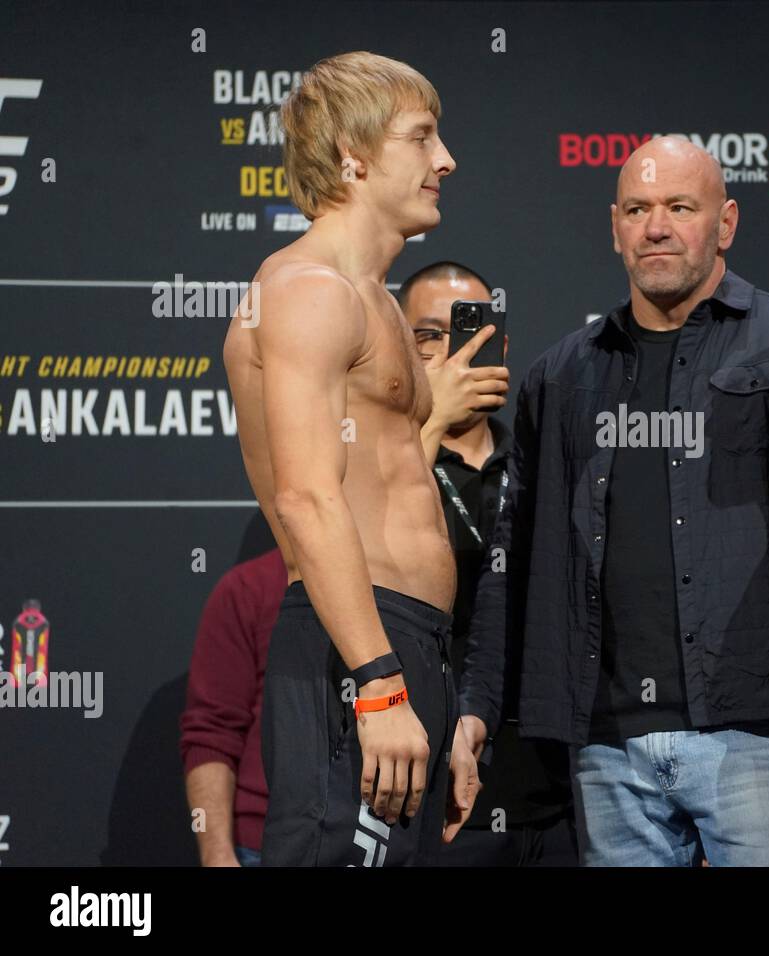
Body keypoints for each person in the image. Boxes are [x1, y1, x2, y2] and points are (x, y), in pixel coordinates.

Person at [459, 135, 769, 866]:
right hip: (605, 741)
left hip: (756, 730)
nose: (656, 227)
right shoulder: (560, 376)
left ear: (726, 222)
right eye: (638, 209)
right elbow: (511, 557)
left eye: (681, 207)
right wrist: (477, 706)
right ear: (614, 225)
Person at [222, 51, 506, 866]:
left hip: (404, 647)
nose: (444, 160)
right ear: (354, 155)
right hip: (357, 651)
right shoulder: (307, 290)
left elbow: (382, 477)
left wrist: (436, 704)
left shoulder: (373, 299)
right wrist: (380, 685)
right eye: (422, 138)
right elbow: (306, 499)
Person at [398, 261, 578, 865]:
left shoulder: (542, 462)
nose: (452, 353)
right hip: (430, 798)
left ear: (498, 346)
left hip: (560, 794)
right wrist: (429, 427)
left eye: (470, 332)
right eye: (428, 336)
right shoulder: (369, 467)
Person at [180, 546, 286, 867]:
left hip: (380, 839)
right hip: (261, 845)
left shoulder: (405, 588)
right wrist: (218, 855)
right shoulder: (250, 587)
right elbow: (211, 733)